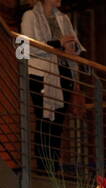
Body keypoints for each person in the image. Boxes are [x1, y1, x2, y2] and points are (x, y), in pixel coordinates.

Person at [21, 0, 83, 172]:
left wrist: (72, 46)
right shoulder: (30, 16)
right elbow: (28, 47)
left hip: (63, 72)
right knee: (45, 119)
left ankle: (54, 166)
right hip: (41, 74)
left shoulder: (63, 18)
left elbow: (75, 43)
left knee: (58, 123)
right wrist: (59, 43)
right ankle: (44, 167)